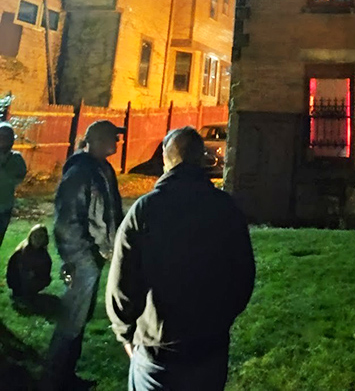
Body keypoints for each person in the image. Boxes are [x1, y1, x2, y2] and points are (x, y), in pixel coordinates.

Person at [106, 126, 255, 391]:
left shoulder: (145, 211)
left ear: (165, 158)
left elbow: (122, 282)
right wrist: (222, 320)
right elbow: (243, 276)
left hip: (158, 350)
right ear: (201, 158)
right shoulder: (226, 208)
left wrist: (126, 334)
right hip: (209, 347)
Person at [42, 120, 124, 391]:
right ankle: (55, 380)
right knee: (72, 318)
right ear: (98, 140)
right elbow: (67, 222)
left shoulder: (102, 169)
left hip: (92, 257)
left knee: (80, 317)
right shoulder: (79, 172)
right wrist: (82, 257)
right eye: (114, 137)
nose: (118, 141)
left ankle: (66, 376)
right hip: (81, 259)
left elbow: (109, 212)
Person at [0, 122, 28, 248]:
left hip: (4, 207)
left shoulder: (16, 158)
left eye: (6, 137)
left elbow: (17, 177)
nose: (3, 140)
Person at [7, 223, 52, 299]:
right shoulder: (24, 251)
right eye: (35, 236)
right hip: (19, 282)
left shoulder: (42, 252)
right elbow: (22, 273)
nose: (38, 239)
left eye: (41, 236)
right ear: (30, 236)